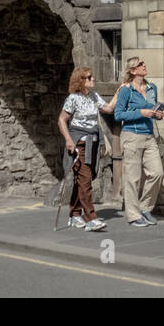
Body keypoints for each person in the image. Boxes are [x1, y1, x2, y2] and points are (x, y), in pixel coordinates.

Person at [58, 66, 116, 231]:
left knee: (83, 180)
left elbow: (109, 109)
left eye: (92, 77)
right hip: (79, 144)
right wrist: (69, 140)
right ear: (81, 80)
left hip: (93, 143)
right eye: (89, 77)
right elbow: (62, 120)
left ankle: (75, 215)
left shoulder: (94, 96)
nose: (93, 79)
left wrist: (120, 91)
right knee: (84, 180)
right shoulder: (73, 99)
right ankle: (91, 218)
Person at [113, 56, 164, 227]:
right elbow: (118, 115)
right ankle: (134, 215)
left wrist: (157, 114)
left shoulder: (152, 88)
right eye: (140, 64)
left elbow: (152, 110)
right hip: (131, 136)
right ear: (132, 71)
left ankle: (145, 208)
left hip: (149, 136)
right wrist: (141, 113)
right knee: (133, 178)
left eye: (144, 63)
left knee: (157, 173)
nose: (144, 65)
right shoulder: (126, 90)